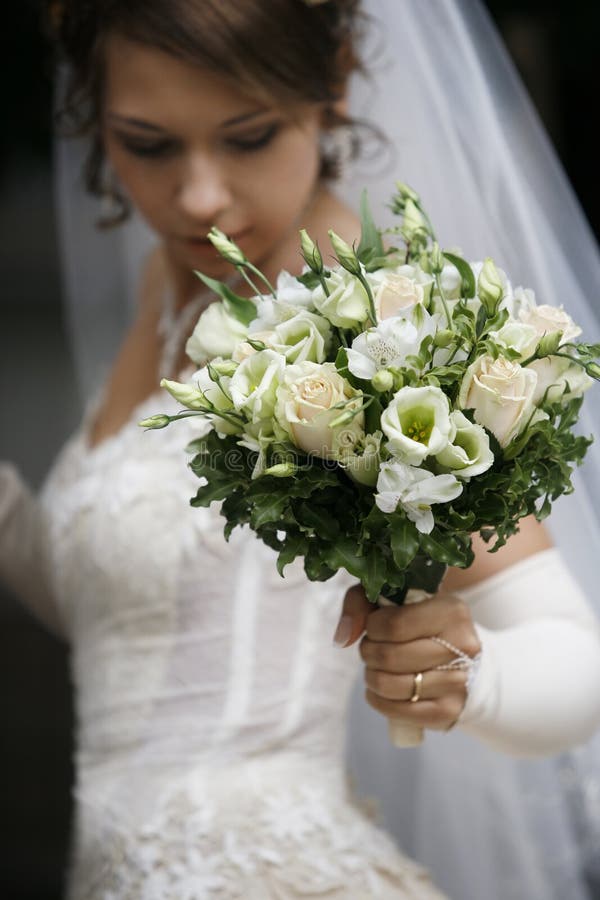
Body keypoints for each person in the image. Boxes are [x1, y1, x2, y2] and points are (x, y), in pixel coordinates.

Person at [1, 0, 599, 897]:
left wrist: (467, 678)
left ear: (336, 83)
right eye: (149, 144)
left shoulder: (373, 326)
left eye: (248, 137)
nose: (199, 196)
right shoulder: (173, 284)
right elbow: (131, 615)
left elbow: (574, 660)